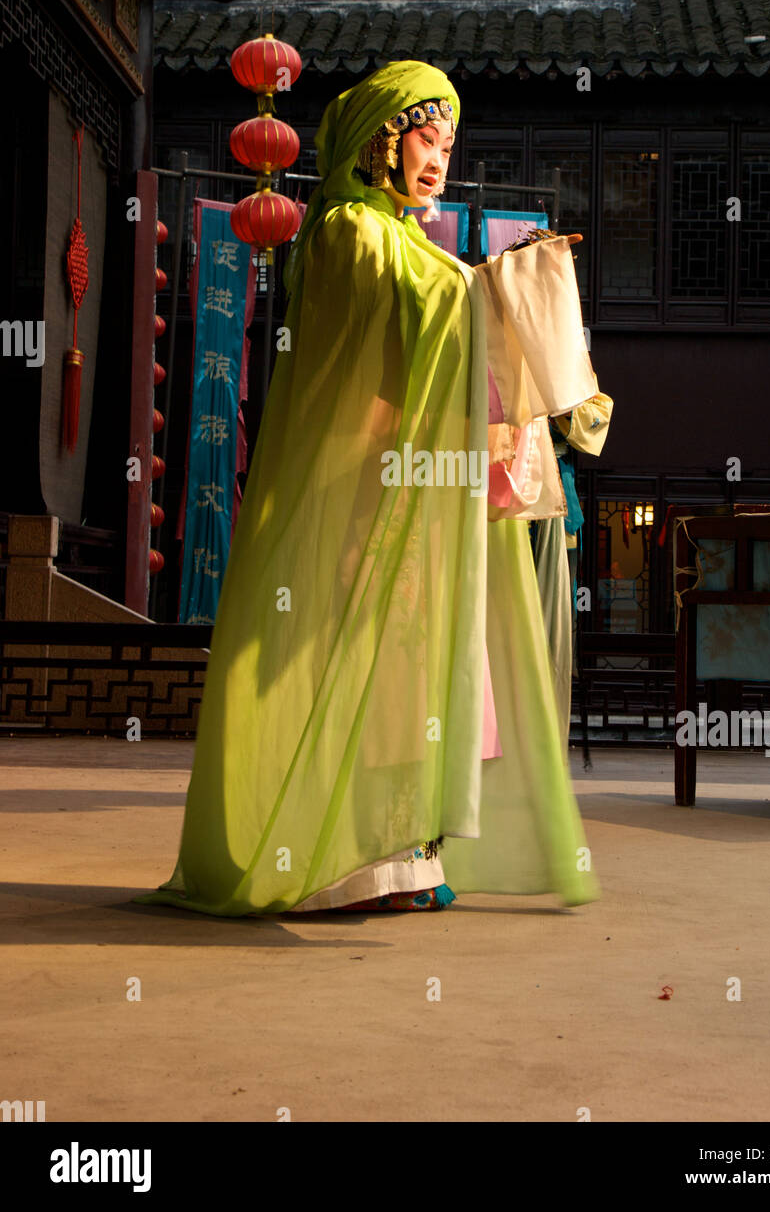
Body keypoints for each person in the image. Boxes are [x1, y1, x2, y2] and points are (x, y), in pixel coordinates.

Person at [132, 60, 600, 917]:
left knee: (422, 680)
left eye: (450, 144)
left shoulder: (405, 240)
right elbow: (429, 325)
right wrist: (512, 285)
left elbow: (452, 315)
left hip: (416, 496)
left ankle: (406, 861)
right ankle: (334, 860)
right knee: (370, 674)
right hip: (364, 494)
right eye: (427, 138)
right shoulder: (349, 231)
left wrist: (512, 278)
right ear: (384, 140)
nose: (440, 160)